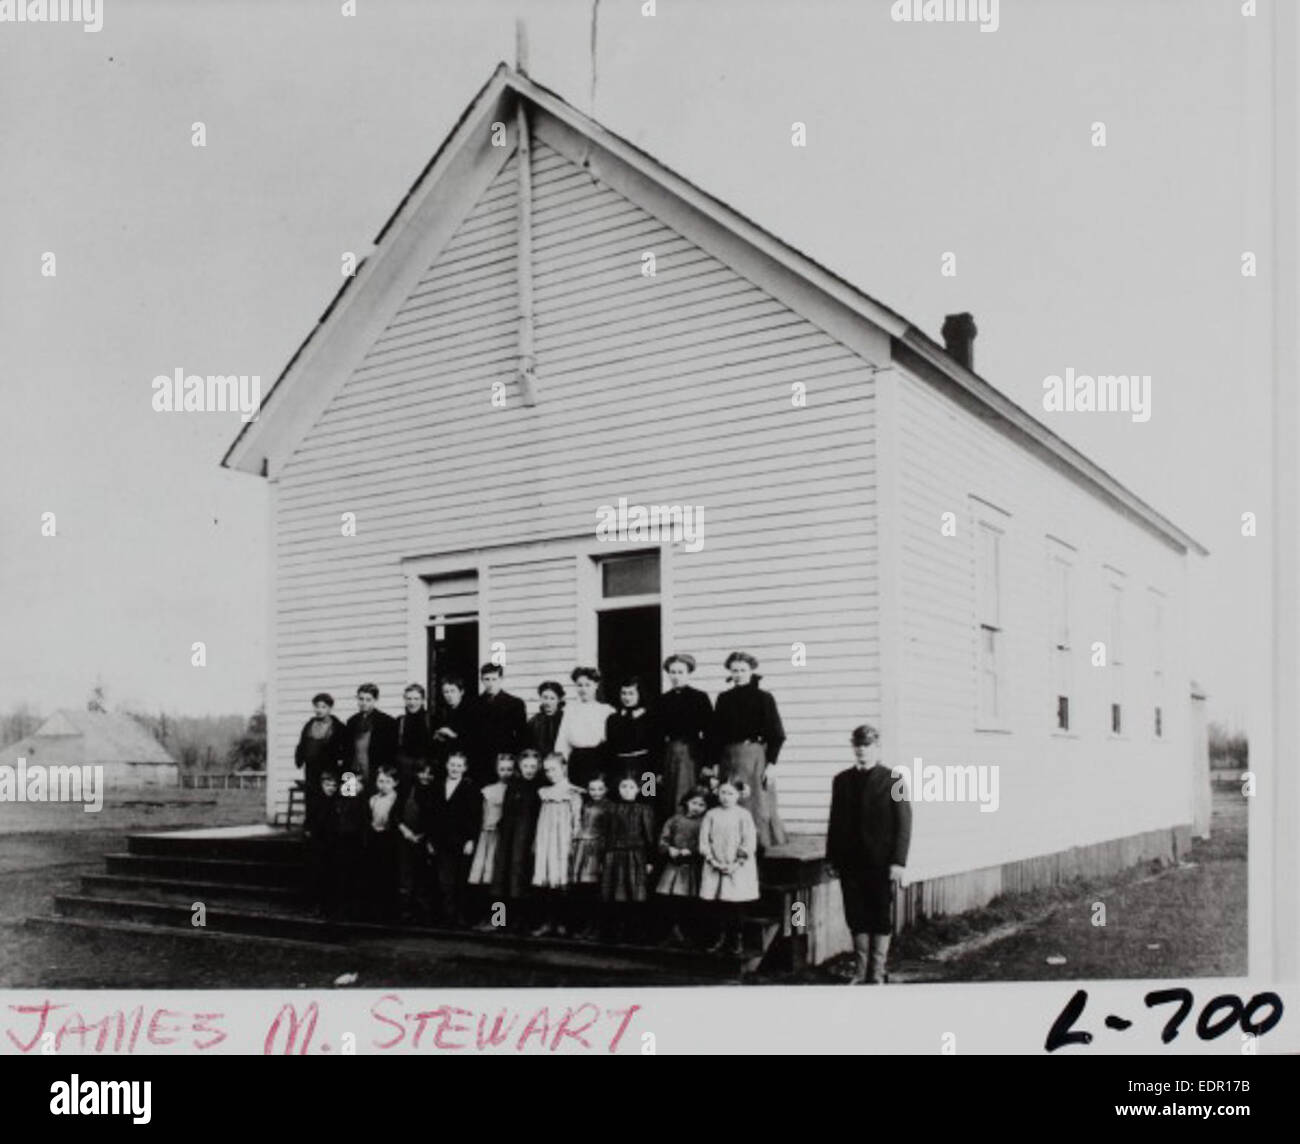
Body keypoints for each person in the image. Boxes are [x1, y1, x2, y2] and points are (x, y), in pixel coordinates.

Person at [826, 724, 912, 985]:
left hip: (881, 862)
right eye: (858, 745)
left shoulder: (894, 779)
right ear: (853, 748)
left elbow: (904, 822)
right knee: (856, 914)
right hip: (850, 862)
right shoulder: (841, 780)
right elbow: (835, 821)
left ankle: (876, 972)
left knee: (880, 915)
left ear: (877, 747)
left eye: (868, 745)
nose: (862, 750)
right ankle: (860, 971)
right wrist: (833, 858)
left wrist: (898, 861)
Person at [711, 652, 787, 849]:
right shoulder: (724, 698)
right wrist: (714, 765)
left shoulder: (764, 698)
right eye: (734, 670)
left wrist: (772, 764)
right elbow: (715, 734)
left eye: (743, 670)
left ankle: (758, 848)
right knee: (729, 798)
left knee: (756, 802)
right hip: (728, 757)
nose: (738, 674)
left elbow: (776, 735)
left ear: (751, 671)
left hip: (754, 755)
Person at [699, 780, 759, 955]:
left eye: (731, 793)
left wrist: (736, 864)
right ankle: (719, 938)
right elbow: (704, 841)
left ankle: (736, 939)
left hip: (737, 868)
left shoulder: (744, 815)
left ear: (738, 796)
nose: (726, 797)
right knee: (717, 906)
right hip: (714, 866)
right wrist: (713, 861)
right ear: (717, 793)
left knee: (735, 905)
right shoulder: (711, 815)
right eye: (723, 793)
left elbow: (749, 842)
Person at [599, 773, 658, 943]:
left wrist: (650, 860)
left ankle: (634, 932)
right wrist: (604, 857)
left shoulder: (644, 808)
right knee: (614, 892)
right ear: (618, 789)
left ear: (639, 789)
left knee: (634, 891)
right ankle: (614, 931)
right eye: (623, 787)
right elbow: (606, 834)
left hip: (635, 854)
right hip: (614, 854)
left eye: (631, 787)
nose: (627, 791)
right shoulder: (611, 809)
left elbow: (649, 836)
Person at [531, 754, 585, 936]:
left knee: (562, 879)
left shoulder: (573, 793)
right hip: (546, 839)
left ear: (564, 768)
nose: (550, 773)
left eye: (553, 769)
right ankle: (547, 922)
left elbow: (577, 820)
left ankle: (563, 924)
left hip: (563, 841)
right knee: (545, 879)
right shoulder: (543, 792)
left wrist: (574, 842)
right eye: (546, 770)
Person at [491, 749, 544, 931]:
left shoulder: (539, 787)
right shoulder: (513, 785)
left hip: (526, 837)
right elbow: (506, 811)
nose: (529, 769)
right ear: (519, 766)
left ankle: (521, 922)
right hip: (508, 835)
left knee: (520, 876)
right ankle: (499, 920)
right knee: (501, 875)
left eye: (533, 766)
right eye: (526, 766)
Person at [655, 655, 712, 823]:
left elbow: (710, 732)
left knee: (691, 793)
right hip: (669, 753)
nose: (676, 676)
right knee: (666, 795)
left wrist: (708, 763)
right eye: (672, 672)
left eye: (680, 672)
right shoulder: (662, 700)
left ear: (688, 674)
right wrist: (656, 769)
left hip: (692, 754)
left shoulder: (700, 698)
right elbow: (656, 735)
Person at [426, 751, 479, 927]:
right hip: (441, 840)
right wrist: (430, 840)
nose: (455, 768)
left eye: (459, 765)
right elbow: (431, 815)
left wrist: (471, 839)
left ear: (464, 768)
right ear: (447, 766)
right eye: (452, 765)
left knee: (461, 881)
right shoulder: (437, 786)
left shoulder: (470, 788)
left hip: (461, 841)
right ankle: (447, 917)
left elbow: (474, 816)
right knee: (444, 881)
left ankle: (461, 918)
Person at [656, 788, 708, 945]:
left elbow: (707, 843)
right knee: (670, 900)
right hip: (673, 866)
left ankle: (688, 934)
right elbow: (663, 840)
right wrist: (668, 849)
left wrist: (692, 851)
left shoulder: (704, 822)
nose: (696, 807)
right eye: (694, 803)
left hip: (691, 866)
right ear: (686, 802)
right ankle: (671, 931)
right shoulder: (675, 820)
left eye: (701, 804)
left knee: (688, 901)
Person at [468, 753, 515, 927]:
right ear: (496, 769)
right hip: (485, 836)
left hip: (501, 838)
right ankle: (484, 917)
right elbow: (481, 814)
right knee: (483, 879)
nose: (506, 773)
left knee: (498, 880)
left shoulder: (514, 790)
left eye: (509, 769)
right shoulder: (488, 790)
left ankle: (499, 920)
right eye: (502, 769)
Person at [554, 667, 614, 788]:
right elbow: (562, 741)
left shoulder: (606, 711)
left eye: (587, 685)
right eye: (579, 685)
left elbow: (611, 741)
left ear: (596, 685)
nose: (583, 689)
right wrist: (560, 766)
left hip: (598, 759)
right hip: (576, 760)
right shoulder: (570, 710)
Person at [569, 775, 610, 940]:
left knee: (595, 889)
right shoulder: (586, 804)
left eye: (600, 789)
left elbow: (607, 832)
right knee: (582, 889)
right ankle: (584, 926)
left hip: (596, 848)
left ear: (606, 790)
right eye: (592, 789)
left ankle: (596, 927)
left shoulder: (609, 807)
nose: (596, 792)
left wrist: (603, 855)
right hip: (582, 847)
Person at [294, 693, 347, 823]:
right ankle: (311, 829)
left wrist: (339, 765)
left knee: (327, 799)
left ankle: (327, 831)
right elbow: (302, 744)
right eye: (317, 706)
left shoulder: (338, 727)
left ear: (330, 709)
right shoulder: (309, 724)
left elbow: (344, 749)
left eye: (323, 707)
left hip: (328, 769)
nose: (319, 710)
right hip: (311, 769)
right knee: (311, 799)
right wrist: (300, 759)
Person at [474, 664, 528, 786]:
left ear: (501, 679)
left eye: (494, 679)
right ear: (481, 680)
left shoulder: (514, 703)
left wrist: (515, 761)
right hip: (482, 762)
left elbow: (522, 736)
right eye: (486, 679)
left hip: (506, 762)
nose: (490, 683)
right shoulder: (475, 704)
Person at [397, 759, 437, 922]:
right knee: (405, 875)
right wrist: (406, 832)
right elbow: (396, 814)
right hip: (405, 838)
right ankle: (405, 911)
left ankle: (424, 914)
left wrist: (425, 836)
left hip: (425, 840)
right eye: (422, 772)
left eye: (429, 773)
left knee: (424, 876)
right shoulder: (407, 789)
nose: (425, 776)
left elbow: (436, 818)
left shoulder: (435, 792)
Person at [605, 678, 656, 789]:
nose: (627, 697)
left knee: (647, 796)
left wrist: (656, 771)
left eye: (631, 693)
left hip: (645, 766)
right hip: (620, 766)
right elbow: (610, 747)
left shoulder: (649, 717)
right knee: (621, 798)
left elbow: (656, 745)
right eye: (623, 693)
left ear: (639, 694)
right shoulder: (613, 718)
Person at [345, 683, 398, 791]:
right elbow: (347, 750)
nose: (364, 703)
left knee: (371, 803)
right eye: (361, 699)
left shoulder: (387, 722)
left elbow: (391, 751)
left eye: (368, 699)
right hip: (352, 771)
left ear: (375, 700)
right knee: (349, 799)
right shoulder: (351, 721)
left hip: (374, 771)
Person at [366, 766, 402, 921]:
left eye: (388, 781)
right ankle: (375, 911)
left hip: (391, 839)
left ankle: (390, 911)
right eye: (380, 781)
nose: (383, 785)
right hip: (375, 837)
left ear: (395, 783)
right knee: (375, 874)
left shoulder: (397, 798)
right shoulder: (373, 799)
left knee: (390, 874)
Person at [304, 770, 342, 917]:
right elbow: (309, 823)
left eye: (334, 785)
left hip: (333, 843)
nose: (331, 788)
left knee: (333, 875)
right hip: (318, 843)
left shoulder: (338, 801)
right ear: (321, 785)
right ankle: (317, 905)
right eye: (327, 785)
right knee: (318, 874)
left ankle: (332, 906)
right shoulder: (316, 802)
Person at [432, 674, 479, 770]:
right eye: (446, 692)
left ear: (461, 692)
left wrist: (453, 735)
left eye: (452, 691)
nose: (449, 695)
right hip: (448, 761)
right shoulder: (443, 712)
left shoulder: (472, 712)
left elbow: (474, 740)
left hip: (466, 762)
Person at [395, 684, 434, 799]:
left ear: (423, 700)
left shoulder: (431, 720)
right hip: (404, 772)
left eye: (416, 699)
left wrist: (429, 768)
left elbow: (436, 748)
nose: (412, 702)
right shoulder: (400, 721)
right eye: (409, 699)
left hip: (425, 771)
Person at [528, 681, 566, 758]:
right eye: (545, 698)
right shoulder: (534, 721)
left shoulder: (566, 719)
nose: (548, 702)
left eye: (552, 698)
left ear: (559, 700)